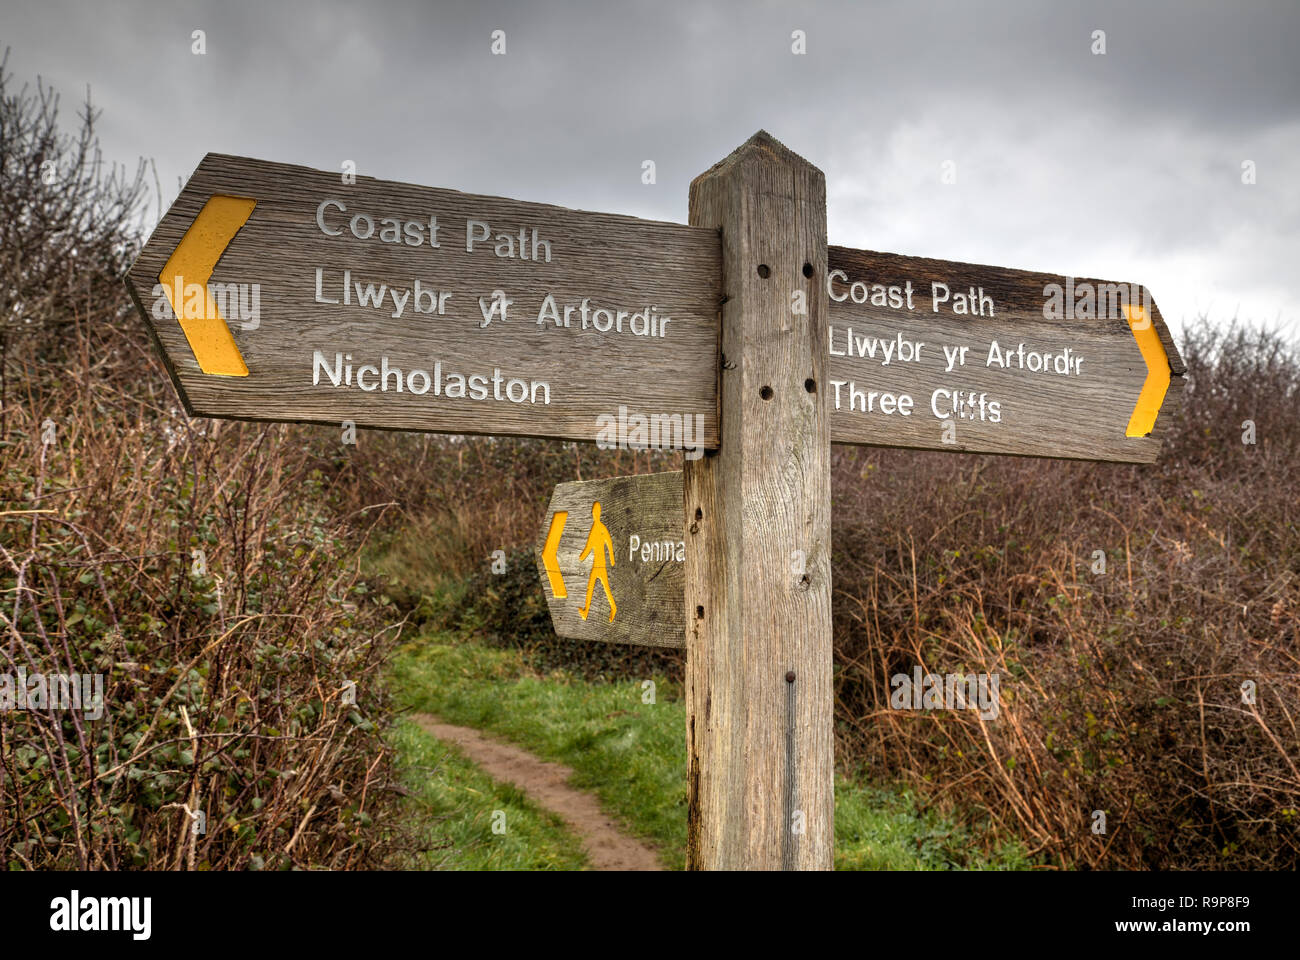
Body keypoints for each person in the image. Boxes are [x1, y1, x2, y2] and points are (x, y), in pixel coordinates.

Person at [578, 501, 616, 622]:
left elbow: (609, 543)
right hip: (596, 565)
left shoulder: (600, 528)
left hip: (601, 566)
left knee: (605, 589)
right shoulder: (595, 528)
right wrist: (582, 556)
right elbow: (589, 546)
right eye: (593, 512)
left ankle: (613, 607)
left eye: (596, 512)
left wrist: (612, 559)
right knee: (591, 587)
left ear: (599, 513)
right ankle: (586, 611)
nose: (595, 514)